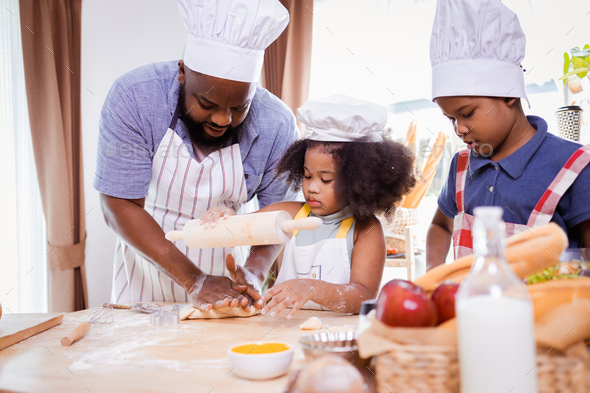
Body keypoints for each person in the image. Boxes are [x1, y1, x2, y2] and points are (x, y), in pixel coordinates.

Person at [94, 0, 299, 311]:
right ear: (182, 72)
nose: (221, 120)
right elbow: (117, 206)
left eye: (238, 108)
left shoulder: (277, 125)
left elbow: (278, 218)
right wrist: (194, 280)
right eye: (206, 103)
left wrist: (255, 271)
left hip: (226, 291)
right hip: (143, 281)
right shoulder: (134, 97)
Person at [426, 0, 590, 270]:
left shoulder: (574, 167)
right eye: (451, 118)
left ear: (509, 94)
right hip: (469, 311)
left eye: (467, 113)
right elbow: (440, 226)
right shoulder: (461, 166)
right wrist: (434, 273)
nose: (460, 129)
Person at [229, 95, 416, 317]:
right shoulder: (292, 214)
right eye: (307, 176)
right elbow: (245, 225)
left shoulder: (366, 231)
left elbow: (363, 296)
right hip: (284, 329)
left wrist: (310, 288)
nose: (312, 188)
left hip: (339, 336)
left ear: (358, 181)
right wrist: (226, 217)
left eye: (325, 179)